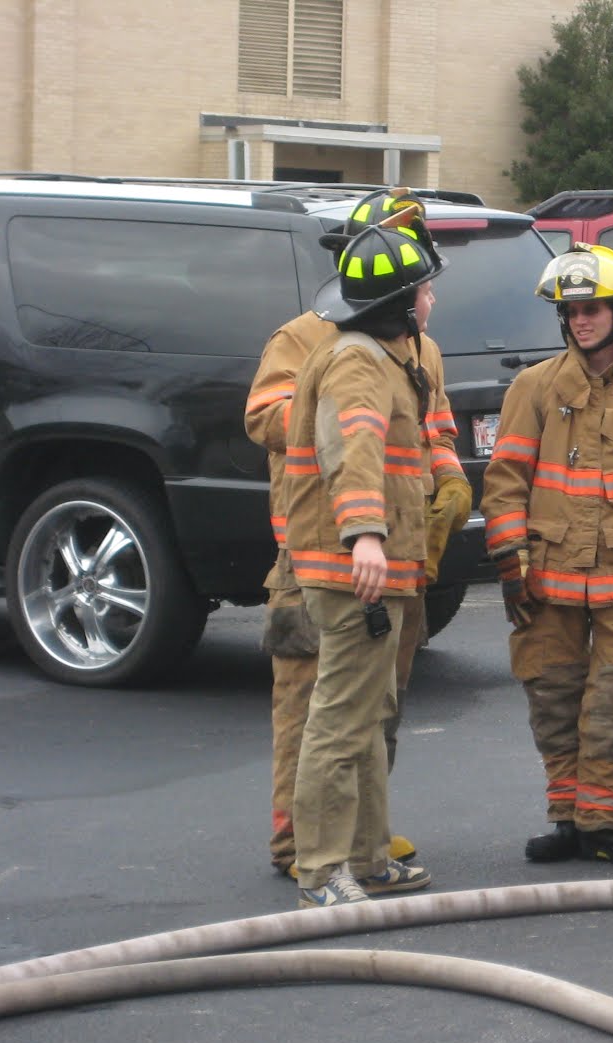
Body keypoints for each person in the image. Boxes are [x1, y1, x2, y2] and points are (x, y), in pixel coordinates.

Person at [245, 189, 471, 880]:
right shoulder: (321, 343)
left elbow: (430, 429)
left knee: (373, 712)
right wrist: (330, 425)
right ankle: (304, 852)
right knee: (319, 713)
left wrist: (449, 480)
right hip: (321, 556)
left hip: (388, 556)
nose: (427, 282)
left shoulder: (415, 348)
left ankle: (360, 847)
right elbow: (278, 421)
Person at [480, 245, 613, 867]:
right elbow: (506, 477)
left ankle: (608, 825)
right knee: (554, 701)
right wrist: (512, 561)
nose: (580, 320)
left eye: (592, 308)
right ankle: (566, 818)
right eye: (571, 310)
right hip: (549, 581)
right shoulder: (534, 388)